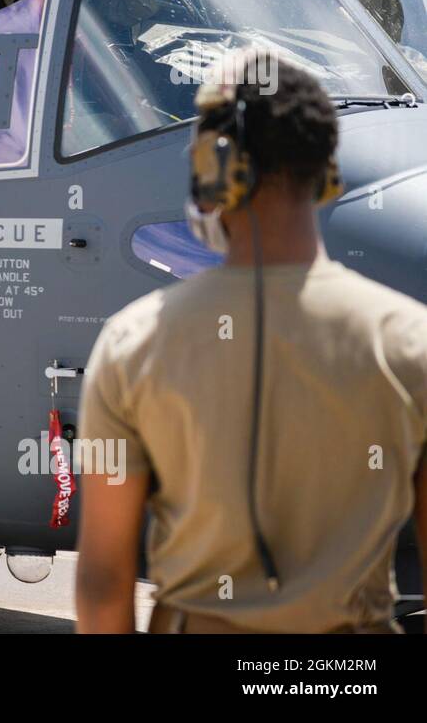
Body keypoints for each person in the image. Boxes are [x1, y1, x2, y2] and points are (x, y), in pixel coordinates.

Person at [75, 51, 427, 633]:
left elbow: (104, 584)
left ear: (213, 175)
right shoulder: (408, 342)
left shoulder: (133, 345)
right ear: (328, 173)